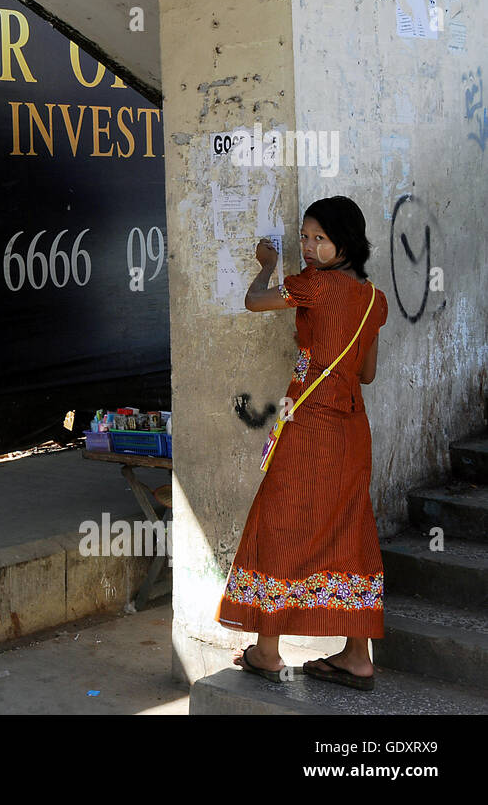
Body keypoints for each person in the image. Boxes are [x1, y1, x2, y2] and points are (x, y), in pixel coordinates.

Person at [215, 196, 389, 691]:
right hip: (352, 431)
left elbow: (255, 300)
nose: (309, 248)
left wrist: (267, 265)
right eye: (306, 237)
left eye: (320, 238)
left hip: (311, 426)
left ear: (345, 243)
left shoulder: (316, 285)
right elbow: (368, 374)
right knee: (350, 530)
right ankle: (357, 657)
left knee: (280, 522)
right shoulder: (373, 298)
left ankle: (267, 652)